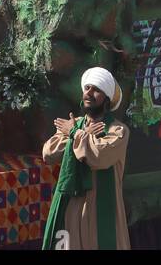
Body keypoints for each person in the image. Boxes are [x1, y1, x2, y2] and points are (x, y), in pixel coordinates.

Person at [42, 67, 130, 250]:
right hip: (71, 207)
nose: (89, 93)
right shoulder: (73, 125)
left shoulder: (117, 131)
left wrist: (75, 134)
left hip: (102, 211)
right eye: (87, 88)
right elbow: (48, 153)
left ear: (106, 99)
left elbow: (98, 156)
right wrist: (80, 134)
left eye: (96, 89)